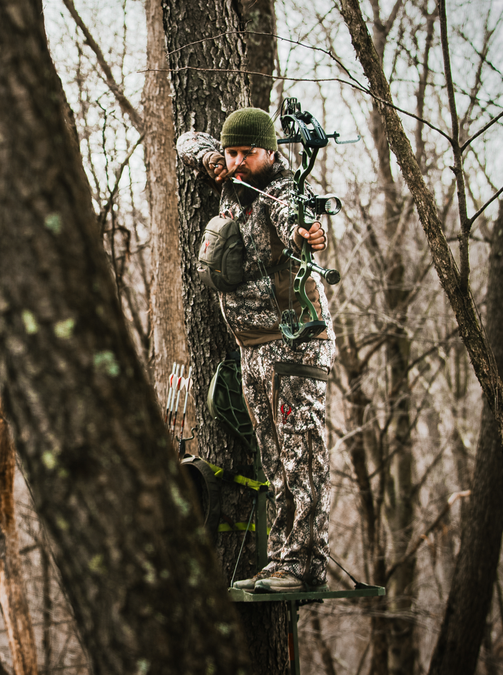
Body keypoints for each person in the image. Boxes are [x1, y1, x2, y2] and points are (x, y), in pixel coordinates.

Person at [176, 107, 336, 593]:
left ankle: (307, 562)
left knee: (300, 454)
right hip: (254, 350)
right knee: (272, 456)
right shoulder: (229, 182)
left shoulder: (282, 191)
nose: (241, 161)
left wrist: (307, 232)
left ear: (271, 152)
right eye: (233, 152)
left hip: (296, 347)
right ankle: (284, 557)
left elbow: (296, 218)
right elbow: (186, 140)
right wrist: (211, 160)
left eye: (249, 152)